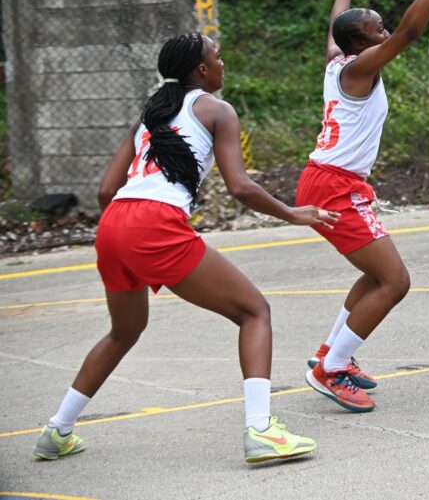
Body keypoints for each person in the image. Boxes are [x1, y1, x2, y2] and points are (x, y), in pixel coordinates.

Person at [33, 32, 339, 464]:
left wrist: (131, 228)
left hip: (114, 224)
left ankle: (57, 431)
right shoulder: (217, 110)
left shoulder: (150, 117)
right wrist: (293, 213)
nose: (222, 63)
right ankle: (262, 431)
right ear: (201, 69)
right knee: (254, 311)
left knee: (123, 331)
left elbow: (105, 190)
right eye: (218, 56)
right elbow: (241, 186)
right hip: (154, 224)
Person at [296, 0, 429, 412]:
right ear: (362, 44)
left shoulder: (339, 59)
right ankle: (331, 371)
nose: (386, 31)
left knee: (376, 278)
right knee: (395, 282)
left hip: (329, 178)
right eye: (377, 29)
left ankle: (330, 355)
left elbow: (337, 26)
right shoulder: (359, 68)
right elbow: (413, 31)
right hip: (334, 185)